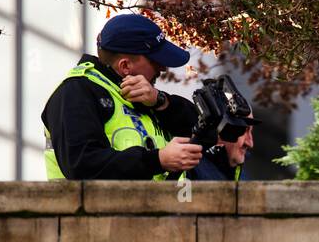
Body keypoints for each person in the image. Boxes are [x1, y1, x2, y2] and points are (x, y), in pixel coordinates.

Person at [41, 14, 204, 180]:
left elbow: (205, 133)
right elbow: (82, 165)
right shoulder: (76, 93)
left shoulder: (143, 96)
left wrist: (161, 101)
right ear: (125, 65)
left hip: (151, 204)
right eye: (155, 60)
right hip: (87, 206)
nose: (162, 68)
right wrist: (157, 160)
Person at [189, 124, 256, 181]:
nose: (250, 143)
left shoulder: (244, 177)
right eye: (244, 130)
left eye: (251, 131)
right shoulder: (188, 168)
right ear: (221, 129)